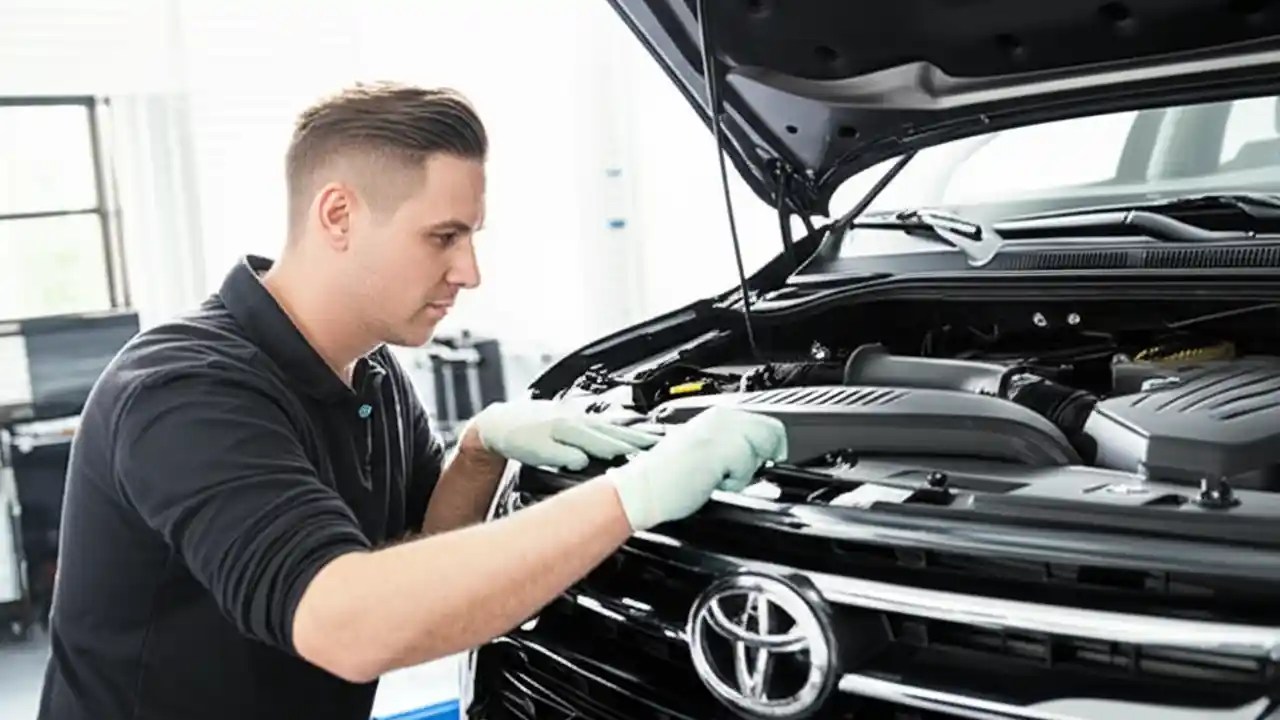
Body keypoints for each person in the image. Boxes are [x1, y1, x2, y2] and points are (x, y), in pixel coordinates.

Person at [36, 82, 787, 720]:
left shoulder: (372, 373)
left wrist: (478, 451)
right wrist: (635, 495)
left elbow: (421, 558)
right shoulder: (185, 389)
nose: (470, 271)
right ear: (338, 216)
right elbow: (348, 623)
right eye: (443, 236)